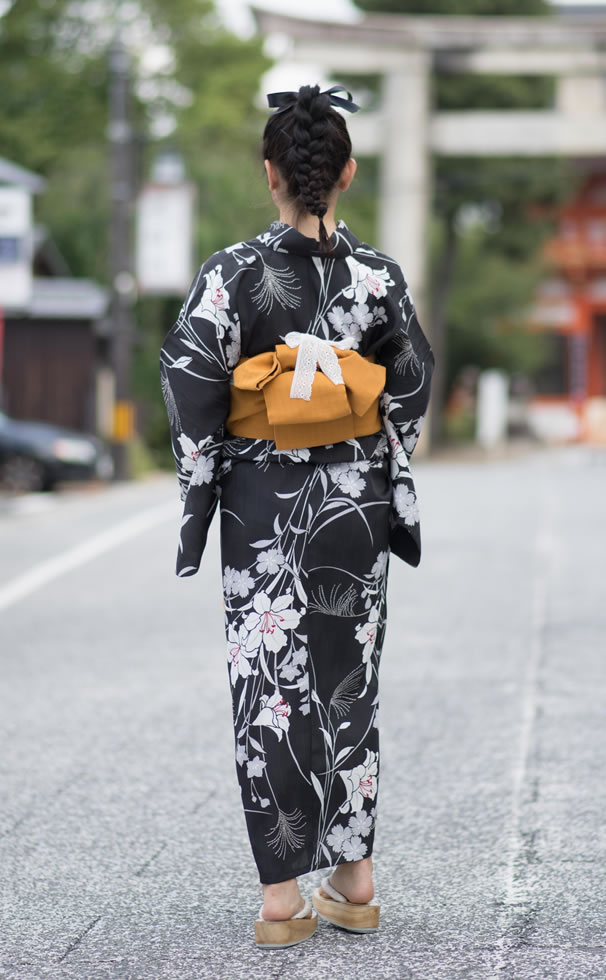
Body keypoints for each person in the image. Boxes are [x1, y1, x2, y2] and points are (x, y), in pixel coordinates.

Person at [160, 83, 435, 949]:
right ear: (346, 173)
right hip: (354, 504)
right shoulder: (378, 278)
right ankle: (354, 882)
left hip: (262, 509)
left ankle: (283, 899)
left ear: (270, 172)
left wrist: (199, 501)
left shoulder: (230, 274)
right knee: (348, 683)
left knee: (270, 693)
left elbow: (191, 386)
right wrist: (386, 470)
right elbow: (413, 387)